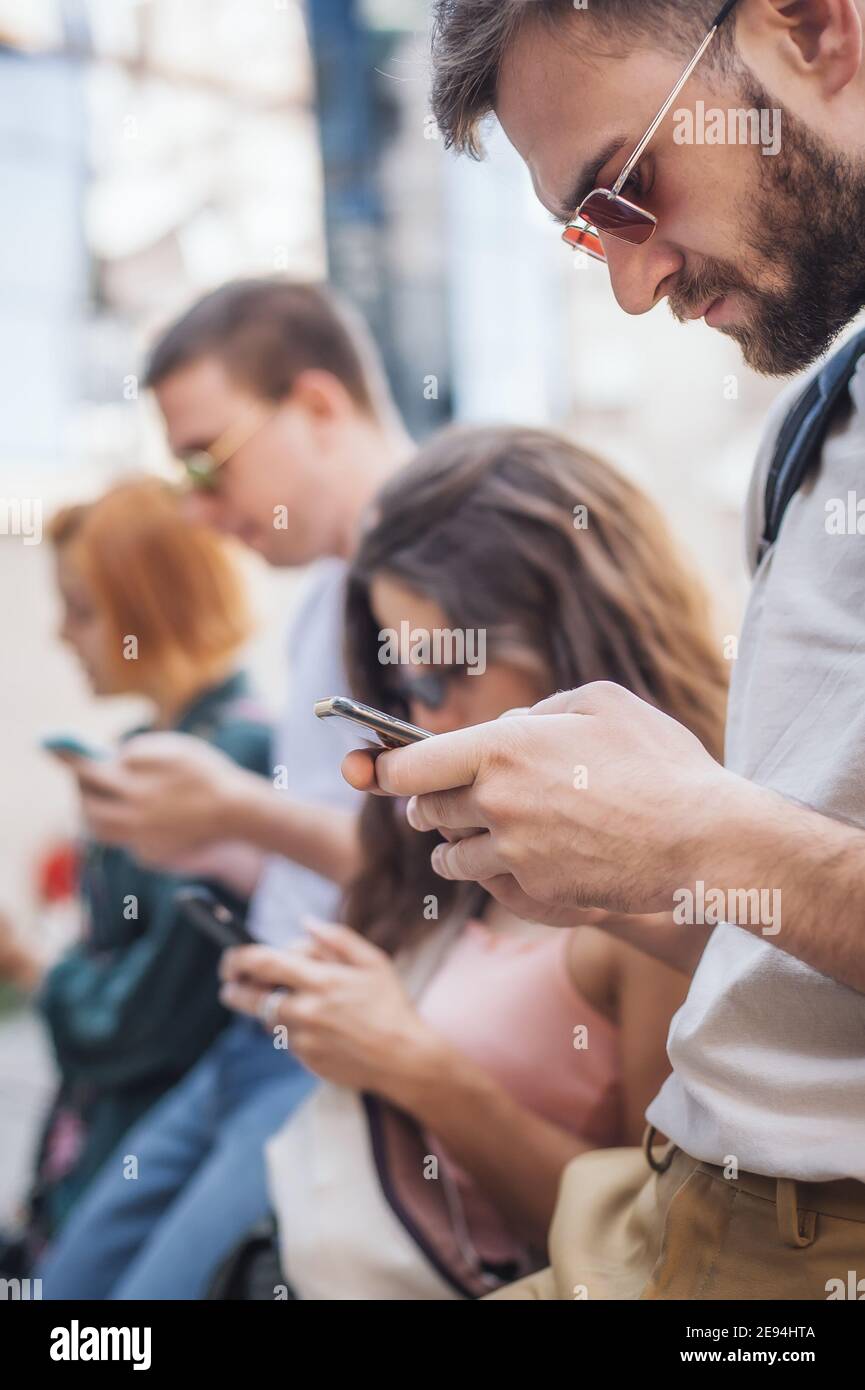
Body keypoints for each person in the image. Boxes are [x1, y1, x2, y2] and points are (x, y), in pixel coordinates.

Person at [343, 0, 865, 1299]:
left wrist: (696, 834)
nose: (632, 285)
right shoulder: (810, 435)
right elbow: (815, 990)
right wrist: (629, 876)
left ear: (813, 28)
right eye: (590, 232)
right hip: (672, 1220)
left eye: (626, 188)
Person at [216, 423, 724, 1299]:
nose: (424, 720)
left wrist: (409, 1062)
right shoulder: (468, 840)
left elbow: (646, 1249)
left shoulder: (665, 894)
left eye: (439, 678)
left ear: (572, 644)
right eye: (398, 689)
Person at [36, 278, 412, 1300]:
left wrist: (231, 813)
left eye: (208, 461)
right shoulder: (326, 598)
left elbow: (456, 872)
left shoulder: (438, 578)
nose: (200, 508)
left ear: (318, 405)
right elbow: (344, 852)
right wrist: (220, 839)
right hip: (262, 1030)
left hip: (325, 1050)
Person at [0, 478, 270, 1266]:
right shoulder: (146, 747)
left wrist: (35, 969)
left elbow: (152, 1014)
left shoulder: (231, 758)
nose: (62, 635)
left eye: (83, 610)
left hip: (161, 1147)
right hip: (102, 1139)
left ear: (152, 606)